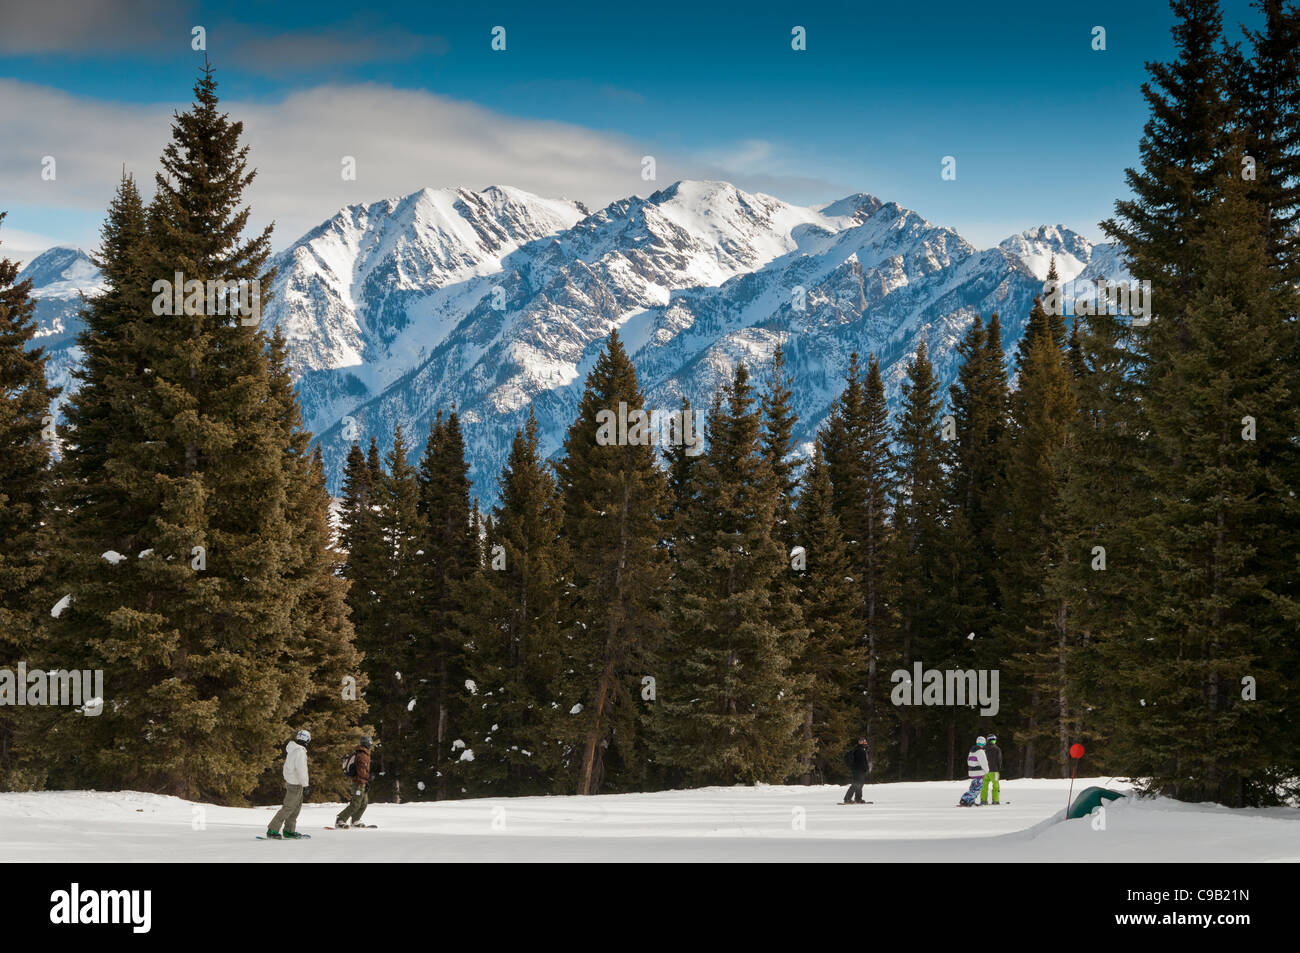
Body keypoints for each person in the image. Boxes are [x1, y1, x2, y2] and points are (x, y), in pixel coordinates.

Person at [267, 729, 311, 839]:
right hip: (296, 784)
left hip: (294, 783)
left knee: (295, 808)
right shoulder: (299, 752)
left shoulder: (293, 750)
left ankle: (289, 830)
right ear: (307, 740)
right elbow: (301, 770)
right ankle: (272, 829)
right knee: (288, 808)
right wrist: (305, 785)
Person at [335, 735, 373, 828]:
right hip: (358, 783)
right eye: (370, 743)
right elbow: (362, 771)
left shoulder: (364, 754)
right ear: (367, 743)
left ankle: (356, 820)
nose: (371, 745)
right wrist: (368, 777)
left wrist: (366, 781)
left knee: (364, 803)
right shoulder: (362, 755)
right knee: (356, 803)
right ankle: (340, 819)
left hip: (362, 782)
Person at [958, 735, 988, 807]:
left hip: (972, 771)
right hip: (979, 772)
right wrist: (987, 771)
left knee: (973, 787)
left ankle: (970, 801)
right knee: (977, 788)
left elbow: (969, 761)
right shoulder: (981, 751)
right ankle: (964, 799)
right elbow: (984, 763)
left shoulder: (972, 751)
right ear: (984, 743)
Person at [842, 737, 869, 804]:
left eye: (866, 742)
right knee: (856, 784)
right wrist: (865, 768)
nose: (866, 743)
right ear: (861, 743)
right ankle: (847, 799)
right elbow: (861, 762)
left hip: (858, 770)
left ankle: (858, 798)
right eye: (864, 742)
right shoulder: (859, 750)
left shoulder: (859, 749)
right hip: (858, 770)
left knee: (860, 784)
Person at [980, 733, 1002, 805]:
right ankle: (995, 801)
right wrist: (998, 769)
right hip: (994, 771)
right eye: (993, 741)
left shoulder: (983, 749)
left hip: (984, 771)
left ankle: (983, 800)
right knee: (996, 786)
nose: (994, 742)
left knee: (984, 787)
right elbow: (999, 760)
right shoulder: (997, 749)